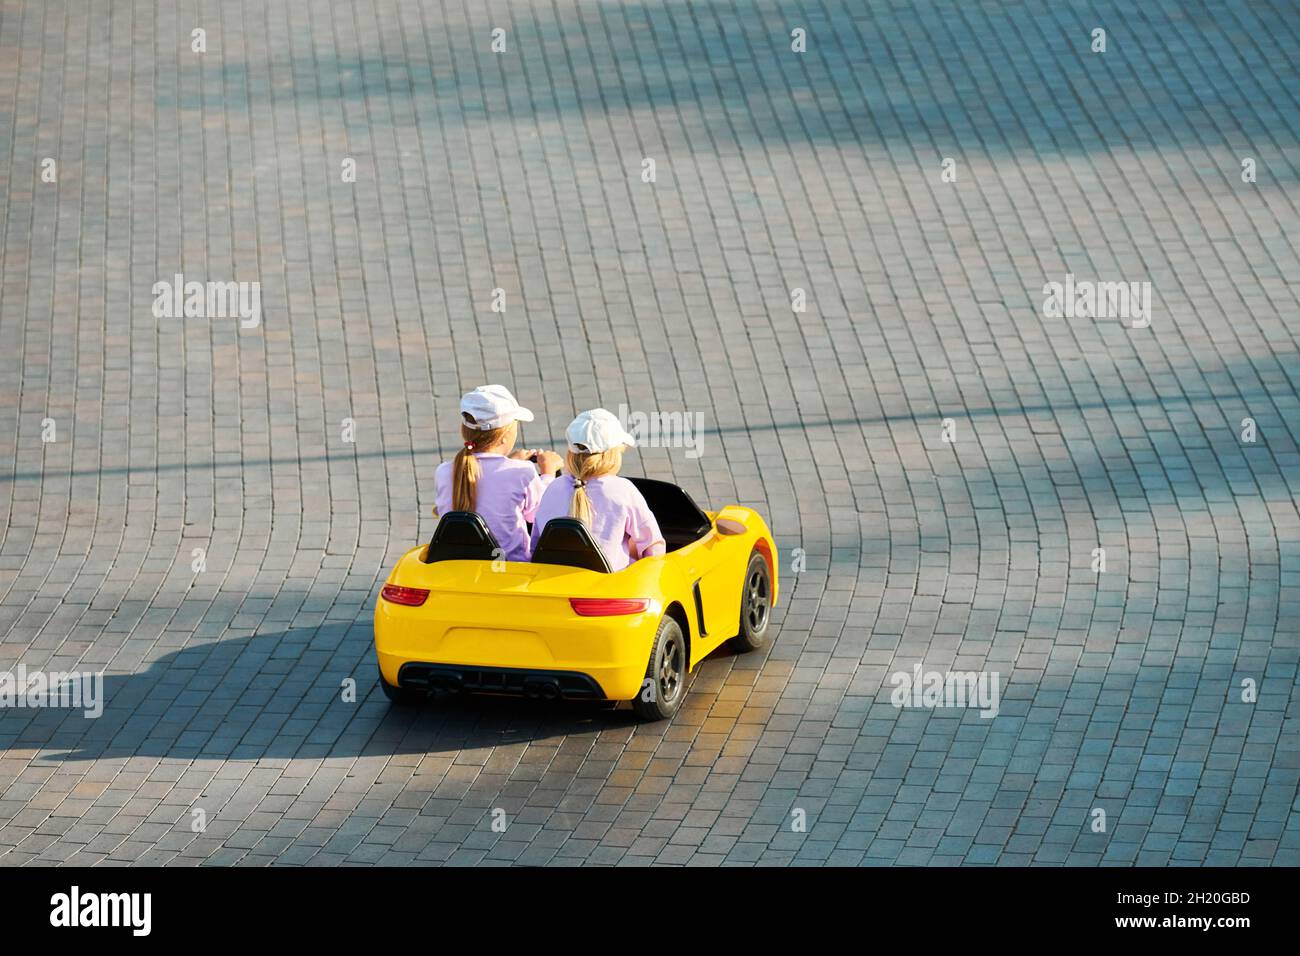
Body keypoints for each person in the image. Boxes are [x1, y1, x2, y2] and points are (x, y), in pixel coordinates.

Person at [434, 385, 562, 561]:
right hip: (509, 566)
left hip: (459, 564)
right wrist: (548, 473)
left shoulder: (444, 471)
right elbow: (537, 515)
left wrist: (512, 461)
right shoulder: (522, 472)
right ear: (505, 435)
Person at [530, 408, 665, 570]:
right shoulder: (624, 491)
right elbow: (653, 547)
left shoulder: (552, 488)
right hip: (611, 586)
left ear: (571, 453)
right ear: (612, 455)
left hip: (554, 583)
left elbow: (537, 545)